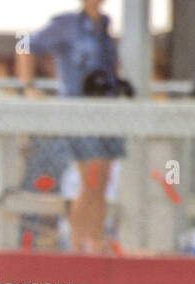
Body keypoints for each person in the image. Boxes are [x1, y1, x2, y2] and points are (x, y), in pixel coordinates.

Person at [17, 0, 125, 253]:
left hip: (107, 113)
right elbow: (24, 44)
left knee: (104, 180)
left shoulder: (105, 25)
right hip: (79, 114)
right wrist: (28, 86)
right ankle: (77, 245)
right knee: (90, 178)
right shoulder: (66, 24)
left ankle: (96, 242)